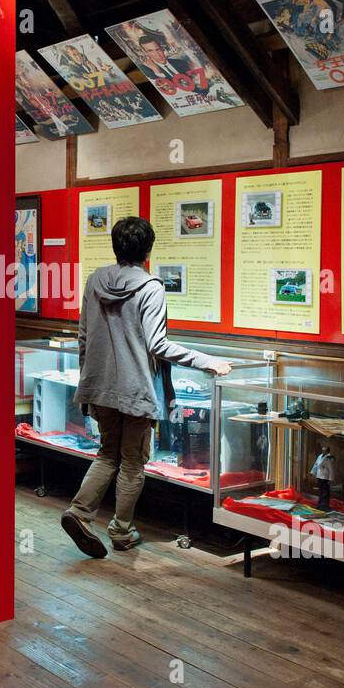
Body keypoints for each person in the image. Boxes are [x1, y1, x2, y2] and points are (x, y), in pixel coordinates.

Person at [61, 217, 232, 557]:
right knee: (133, 462)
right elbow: (158, 345)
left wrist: (87, 384)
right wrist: (206, 360)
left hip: (99, 386)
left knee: (107, 453)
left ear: (115, 246)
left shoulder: (95, 280)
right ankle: (122, 531)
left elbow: (83, 337)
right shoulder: (151, 287)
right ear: (149, 249)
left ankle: (79, 512)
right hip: (135, 389)